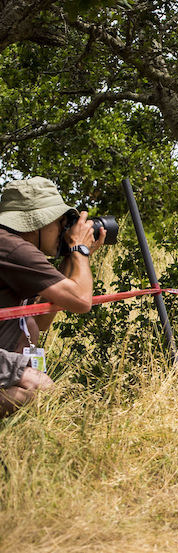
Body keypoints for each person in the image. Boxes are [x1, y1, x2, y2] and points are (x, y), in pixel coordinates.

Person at [0, 177, 107, 416]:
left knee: (30, 327)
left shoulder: (12, 246)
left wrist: (71, 255)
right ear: (37, 222)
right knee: (42, 389)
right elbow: (81, 301)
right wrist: (80, 250)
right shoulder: (14, 248)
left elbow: (41, 320)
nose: (63, 230)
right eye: (60, 222)